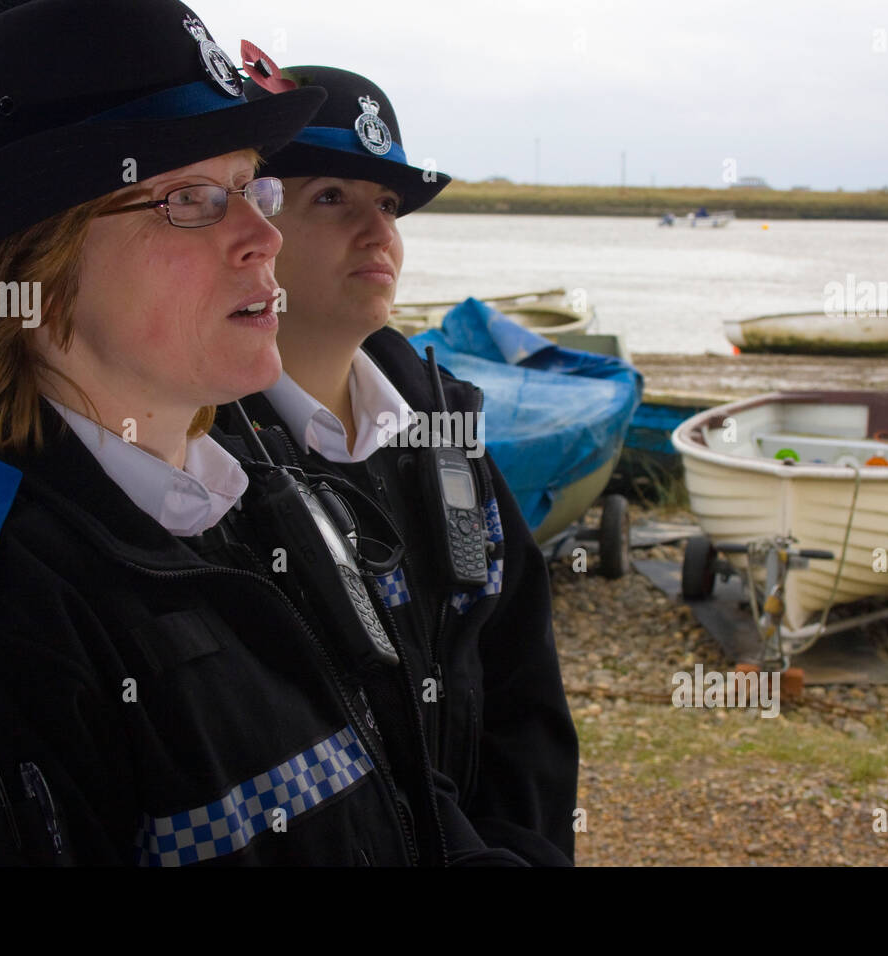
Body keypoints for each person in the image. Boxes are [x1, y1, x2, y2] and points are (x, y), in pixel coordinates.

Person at [0, 0, 449, 866]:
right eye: (192, 200)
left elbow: (420, 819)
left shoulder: (275, 509)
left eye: (253, 187)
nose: (264, 237)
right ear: (35, 261)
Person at [226, 66, 579, 865]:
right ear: (249, 226)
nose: (377, 231)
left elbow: (524, 687)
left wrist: (528, 850)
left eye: (386, 205)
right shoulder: (201, 464)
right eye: (332, 199)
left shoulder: (445, 430)